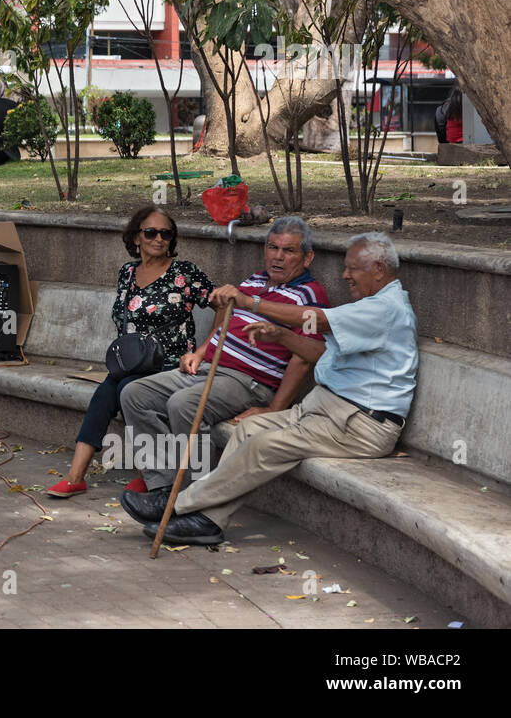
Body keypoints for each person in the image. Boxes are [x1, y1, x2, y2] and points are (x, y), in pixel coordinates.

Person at [123, 232, 417, 545]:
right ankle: (209, 521)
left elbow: (313, 319)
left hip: (360, 424)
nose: (344, 275)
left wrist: (253, 303)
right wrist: (281, 336)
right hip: (324, 411)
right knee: (249, 429)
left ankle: (175, 505)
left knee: (263, 446)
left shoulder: (385, 309)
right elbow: (319, 352)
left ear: (379, 269)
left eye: (352, 269)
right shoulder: (371, 306)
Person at [116, 216, 328, 496]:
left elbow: (307, 356)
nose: (278, 257)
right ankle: (163, 486)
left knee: (184, 404)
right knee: (134, 393)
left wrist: (275, 408)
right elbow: (226, 317)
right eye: (272, 248)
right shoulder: (255, 281)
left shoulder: (311, 296)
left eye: (288, 251)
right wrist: (201, 352)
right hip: (210, 370)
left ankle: (194, 495)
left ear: (307, 257)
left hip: (248, 382)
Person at [46, 206, 213, 498]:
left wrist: (203, 350)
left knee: (126, 389)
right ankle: (75, 476)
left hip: (170, 365)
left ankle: (146, 475)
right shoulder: (127, 272)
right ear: (137, 237)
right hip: (133, 362)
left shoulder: (184, 273)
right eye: (151, 232)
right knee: (105, 393)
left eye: (165, 233)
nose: (158, 239)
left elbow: (224, 306)